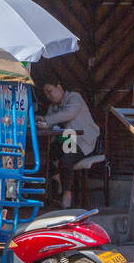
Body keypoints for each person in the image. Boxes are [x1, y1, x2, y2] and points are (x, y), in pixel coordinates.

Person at [37, 77, 101, 209]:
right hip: (67, 138)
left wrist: (45, 119)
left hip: (83, 140)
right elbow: (49, 123)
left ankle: (67, 194)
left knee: (66, 160)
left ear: (59, 87)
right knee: (46, 156)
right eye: (46, 94)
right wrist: (42, 122)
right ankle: (54, 186)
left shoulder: (74, 97)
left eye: (50, 91)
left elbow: (68, 114)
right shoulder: (53, 107)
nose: (48, 96)